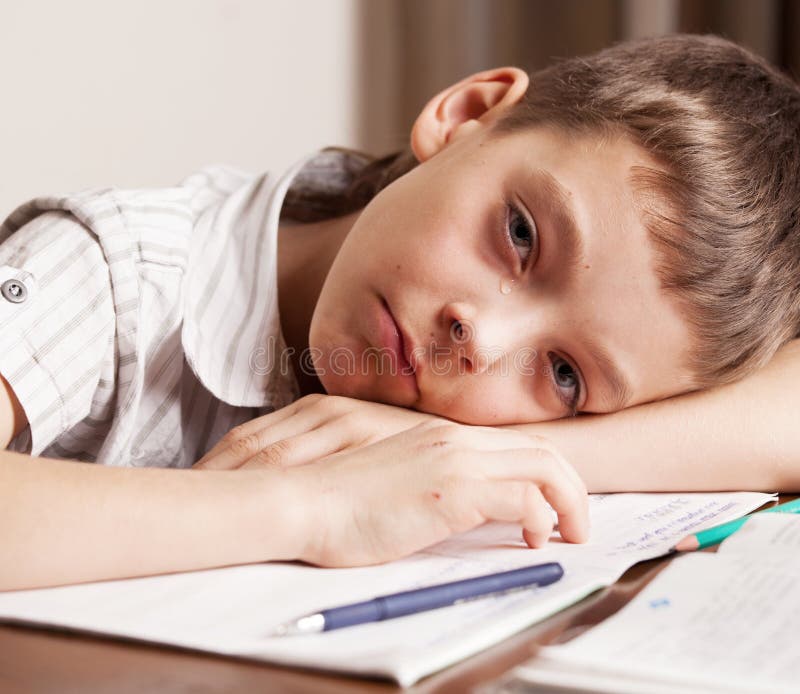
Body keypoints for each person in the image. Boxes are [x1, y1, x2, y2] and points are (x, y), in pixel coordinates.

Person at [0, 34, 798, 590]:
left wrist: (478, 448)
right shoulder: (116, 275)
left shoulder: (462, 426)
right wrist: (313, 508)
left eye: (562, 373)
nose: (482, 338)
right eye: (519, 235)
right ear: (466, 116)